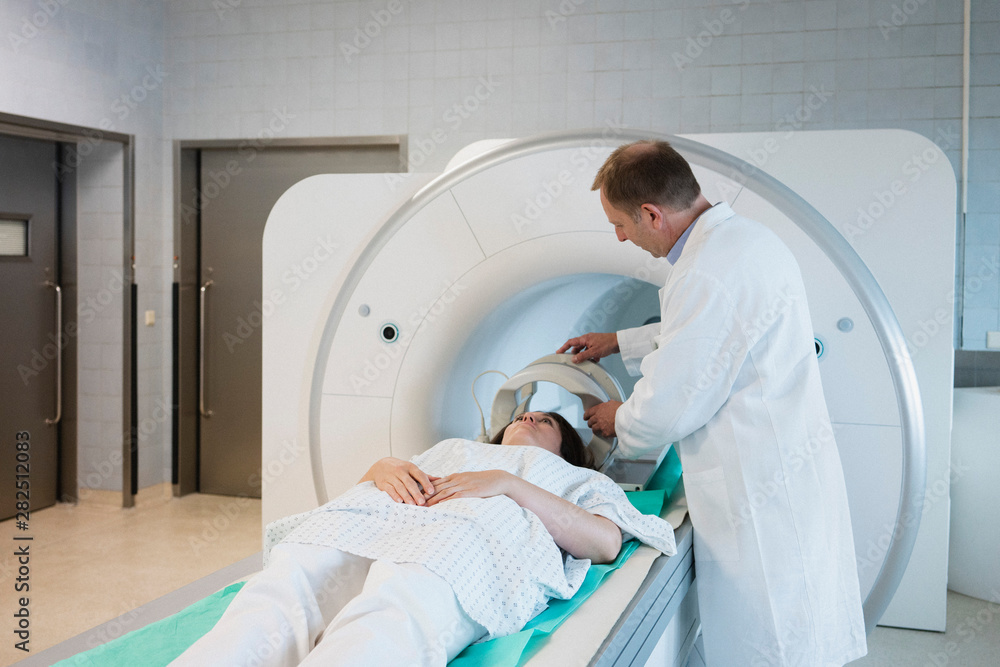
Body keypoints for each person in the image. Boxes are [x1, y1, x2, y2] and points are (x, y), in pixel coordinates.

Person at [558, 140, 867, 666]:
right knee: (798, 631)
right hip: (784, 467)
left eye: (620, 224)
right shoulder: (744, 241)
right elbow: (709, 342)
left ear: (652, 214)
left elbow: (669, 407)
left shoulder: (704, 273)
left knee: (775, 642)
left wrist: (619, 419)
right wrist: (619, 341)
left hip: (760, 488)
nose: (618, 236)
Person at [171, 411, 674, 666]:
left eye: (544, 420)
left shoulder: (565, 476)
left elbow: (606, 542)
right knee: (291, 579)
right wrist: (381, 467)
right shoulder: (454, 447)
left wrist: (508, 486)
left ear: (566, 447)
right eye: (523, 414)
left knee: (399, 598)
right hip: (380, 520)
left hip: (461, 541)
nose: (528, 418)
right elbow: (387, 482)